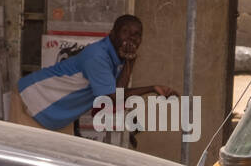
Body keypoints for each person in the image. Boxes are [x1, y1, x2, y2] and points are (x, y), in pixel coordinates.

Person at [12, 15, 174, 136]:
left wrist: (131, 66)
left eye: (136, 34)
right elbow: (111, 99)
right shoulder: (98, 56)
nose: (131, 38)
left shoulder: (119, 57)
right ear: (112, 34)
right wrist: (149, 85)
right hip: (32, 102)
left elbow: (117, 92)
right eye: (125, 32)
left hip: (54, 115)